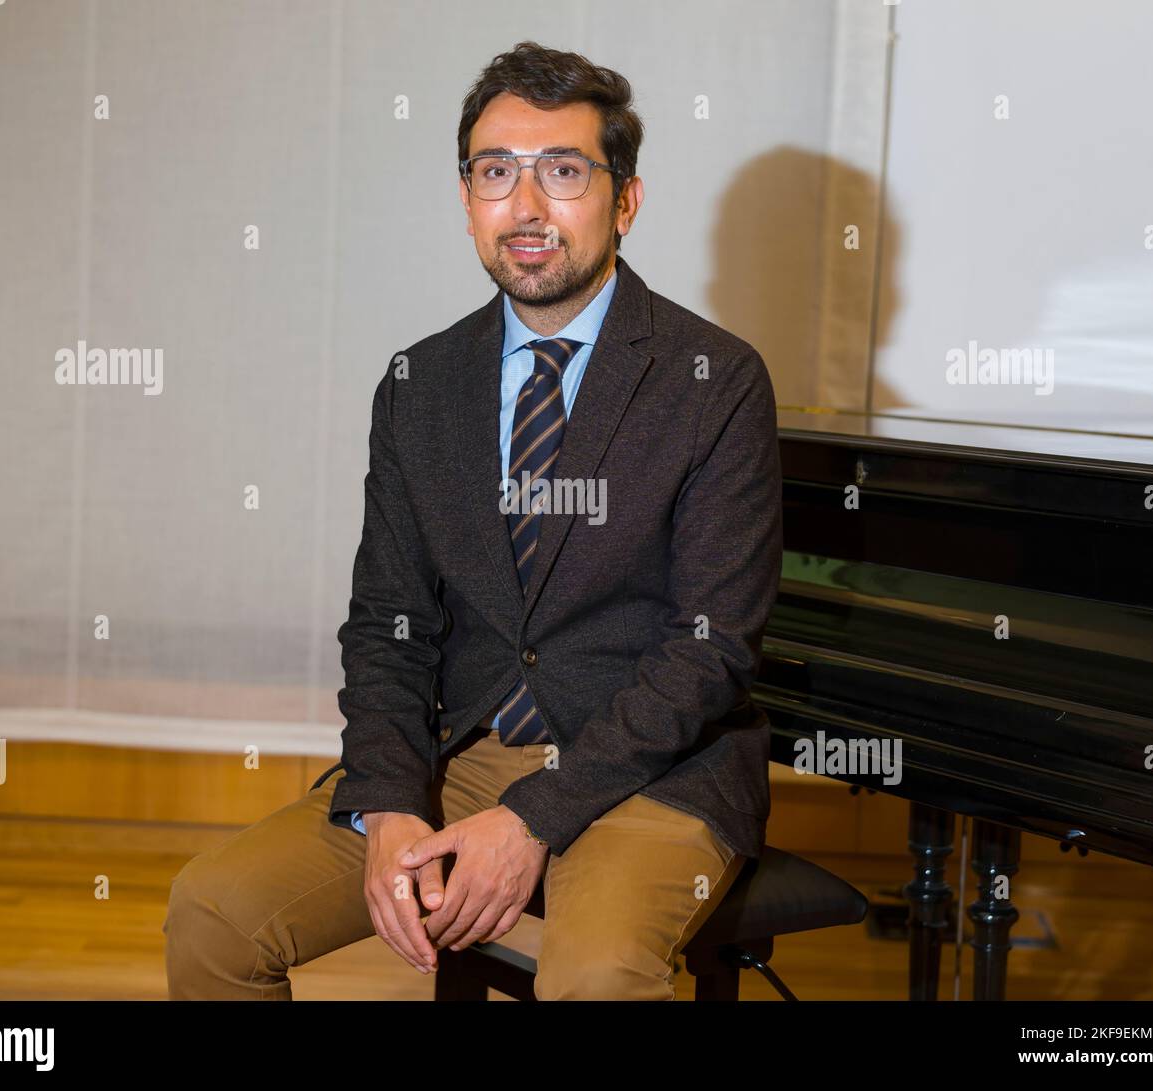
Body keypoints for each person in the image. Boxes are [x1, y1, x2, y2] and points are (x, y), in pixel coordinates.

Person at [163, 39, 782, 1001]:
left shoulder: (715, 381)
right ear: (466, 200)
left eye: (563, 172)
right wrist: (385, 804)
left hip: (649, 768)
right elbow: (386, 626)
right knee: (213, 914)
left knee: (599, 977)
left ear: (625, 200)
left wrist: (534, 816)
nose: (526, 207)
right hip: (462, 751)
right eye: (497, 173)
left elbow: (708, 653)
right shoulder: (420, 385)